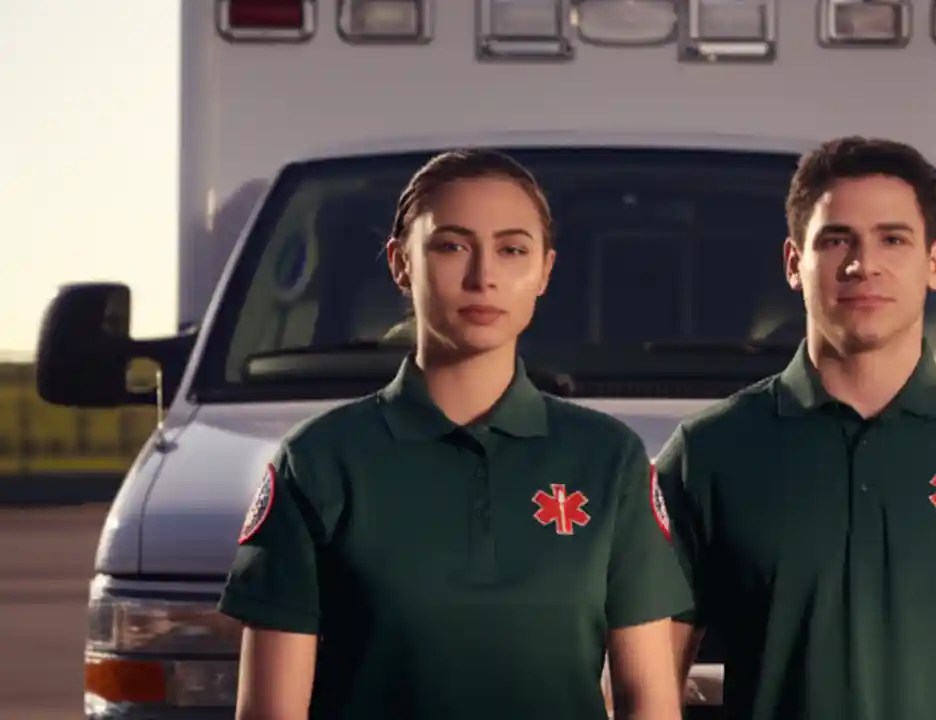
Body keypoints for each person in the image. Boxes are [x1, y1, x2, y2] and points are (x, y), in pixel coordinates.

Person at [218, 148, 691, 719]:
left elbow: (650, 702)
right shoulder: (319, 461)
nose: (483, 276)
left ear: (544, 270)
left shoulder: (608, 460)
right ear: (401, 263)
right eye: (451, 246)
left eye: (512, 250)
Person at [656, 136, 936, 719]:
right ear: (795, 263)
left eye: (892, 239)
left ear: (935, 263)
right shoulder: (708, 454)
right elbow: (649, 677)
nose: (862, 263)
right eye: (836, 238)